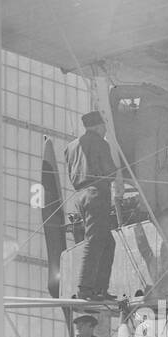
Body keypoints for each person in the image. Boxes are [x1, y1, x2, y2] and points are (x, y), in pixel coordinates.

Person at [63, 111, 118, 301]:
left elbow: (71, 173)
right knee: (95, 241)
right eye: (103, 127)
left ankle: (99, 289)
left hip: (81, 196)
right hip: (97, 194)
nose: (105, 131)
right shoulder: (100, 143)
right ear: (97, 126)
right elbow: (110, 172)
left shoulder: (70, 147)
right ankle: (87, 289)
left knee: (107, 242)